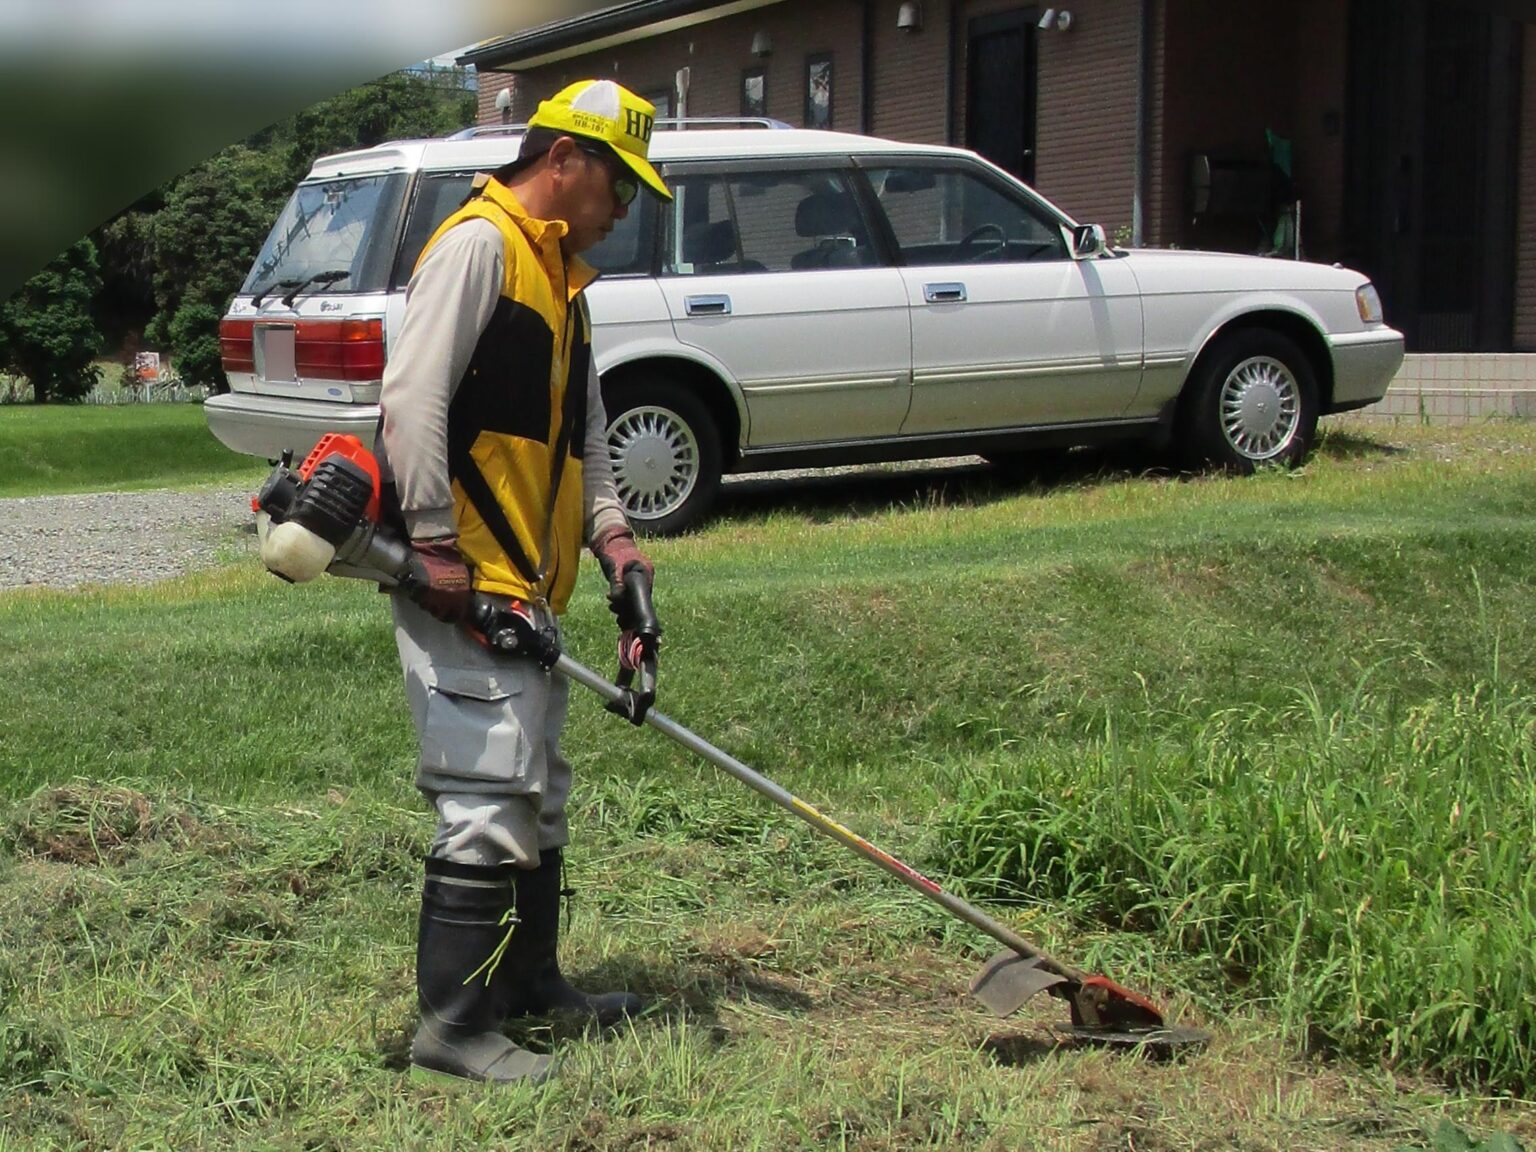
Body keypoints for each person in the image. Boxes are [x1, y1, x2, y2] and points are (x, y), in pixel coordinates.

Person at [376, 79, 673, 1086]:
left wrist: (619, 550)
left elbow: (579, 438)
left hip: (528, 588)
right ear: (565, 161)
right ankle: (453, 1029)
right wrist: (434, 552)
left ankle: (530, 984)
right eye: (619, 185)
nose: (625, 208)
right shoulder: (478, 248)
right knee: (485, 790)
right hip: (465, 575)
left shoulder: (560, 280)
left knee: (536, 793)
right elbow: (410, 400)